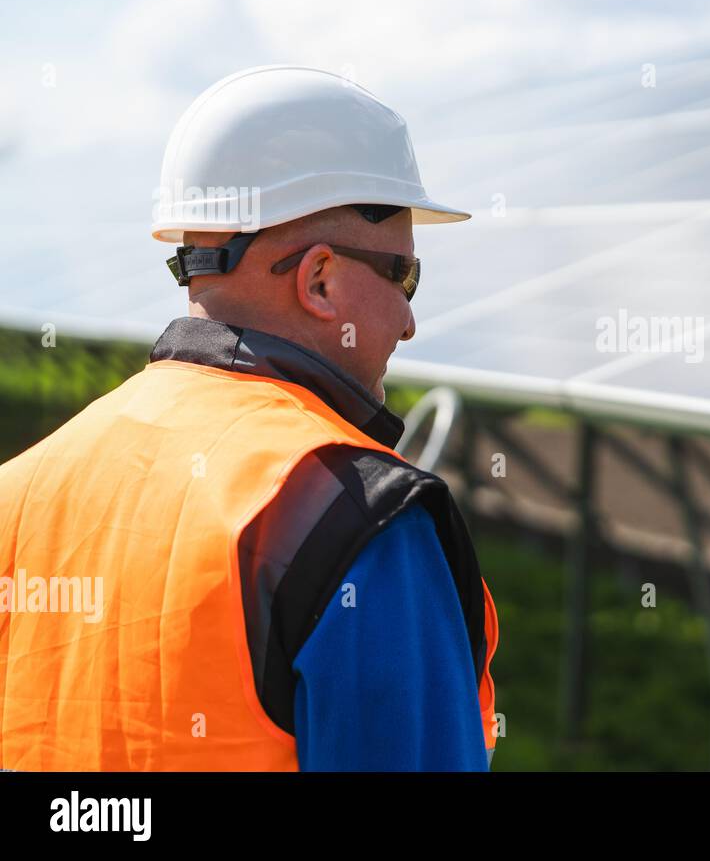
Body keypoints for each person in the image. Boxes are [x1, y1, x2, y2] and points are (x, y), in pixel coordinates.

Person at [0, 66, 498, 770]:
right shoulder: (356, 516)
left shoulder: (19, 492)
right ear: (320, 279)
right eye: (403, 277)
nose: (410, 321)